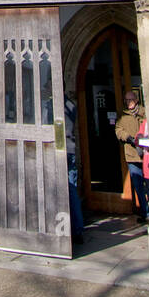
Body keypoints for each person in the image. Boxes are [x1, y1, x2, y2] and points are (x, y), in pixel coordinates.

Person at [114, 90, 149, 224]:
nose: (129, 103)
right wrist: (128, 138)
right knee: (138, 185)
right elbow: (118, 130)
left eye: (131, 100)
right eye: (127, 100)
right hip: (131, 154)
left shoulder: (145, 113)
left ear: (136, 100)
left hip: (146, 154)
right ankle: (145, 212)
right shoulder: (123, 116)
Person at [64, 95, 85, 246]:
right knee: (72, 191)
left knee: (64, 191)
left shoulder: (53, 105)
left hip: (60, 149)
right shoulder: (71, 104)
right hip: (71, 149)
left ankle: (64, 231)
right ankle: (77, 230)